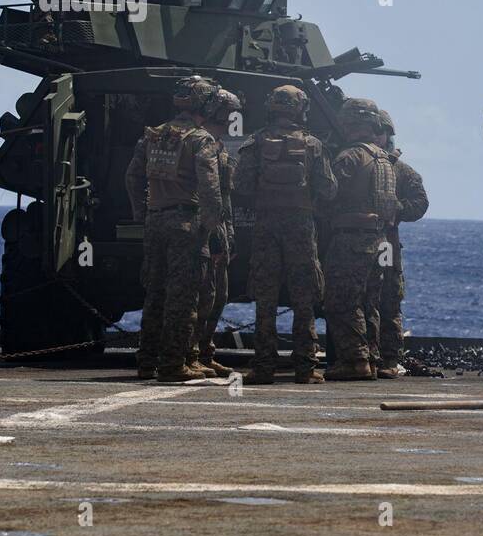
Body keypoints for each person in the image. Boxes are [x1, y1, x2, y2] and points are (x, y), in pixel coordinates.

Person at [235, 85, 336, 385]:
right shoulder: (313, 145)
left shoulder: (255, 142)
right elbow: (329, 190)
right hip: (301, 227)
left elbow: (240, 186)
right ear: (300, 109)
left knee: (265, 299)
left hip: (265, 226)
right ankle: (306, 368)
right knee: (304, 298)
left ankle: (262, 367)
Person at [124, 76, 222, 382]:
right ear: (205, 104)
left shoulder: (154, 135)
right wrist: (213, 227)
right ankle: (173, 364)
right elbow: (209, 188)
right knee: (183, 297)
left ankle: (147, 360)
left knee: (155, 293)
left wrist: (143, 212)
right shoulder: (200, 139)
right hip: (186, 225)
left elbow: (132, 177)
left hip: (155, 221)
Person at [323, 98, 398, 381]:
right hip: (378, 238)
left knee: (341, 300)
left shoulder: (350, 156)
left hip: (351, 238)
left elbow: (329, 192)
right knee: (369, 301)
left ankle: (355, 360)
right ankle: (373, 357)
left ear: (349, 122)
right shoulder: (385, 160)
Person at [188, 88, 241, 379]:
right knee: (203, 295)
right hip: (203, 226)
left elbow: (225, 193)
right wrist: (216, 234)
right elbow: (209, 193)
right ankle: (192, 354)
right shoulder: (201, 142)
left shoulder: (216, 143)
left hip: (218, 225)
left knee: (218, 295)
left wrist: (228, 232)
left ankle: (204, 353)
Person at [373, 110, 428, 375]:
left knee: (388, 298)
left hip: (386, 243)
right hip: (351, 242)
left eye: (377, 132)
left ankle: (388, 358)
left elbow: (419, 204)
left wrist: (397, 209)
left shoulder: (402, 172)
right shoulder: (354, 162)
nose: (373, 137)